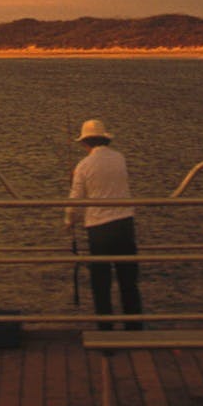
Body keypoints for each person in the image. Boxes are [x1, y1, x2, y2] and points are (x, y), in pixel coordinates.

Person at [65, 119, 142, 330]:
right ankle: (135, 330)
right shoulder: (120, 158)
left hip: (99, 229)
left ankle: (106, 332)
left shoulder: (83, 166)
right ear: (105, 139)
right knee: (128, 281)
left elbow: (75, 200)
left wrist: (69, 221)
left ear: (85, 142)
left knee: (101, 283)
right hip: (125, 224)